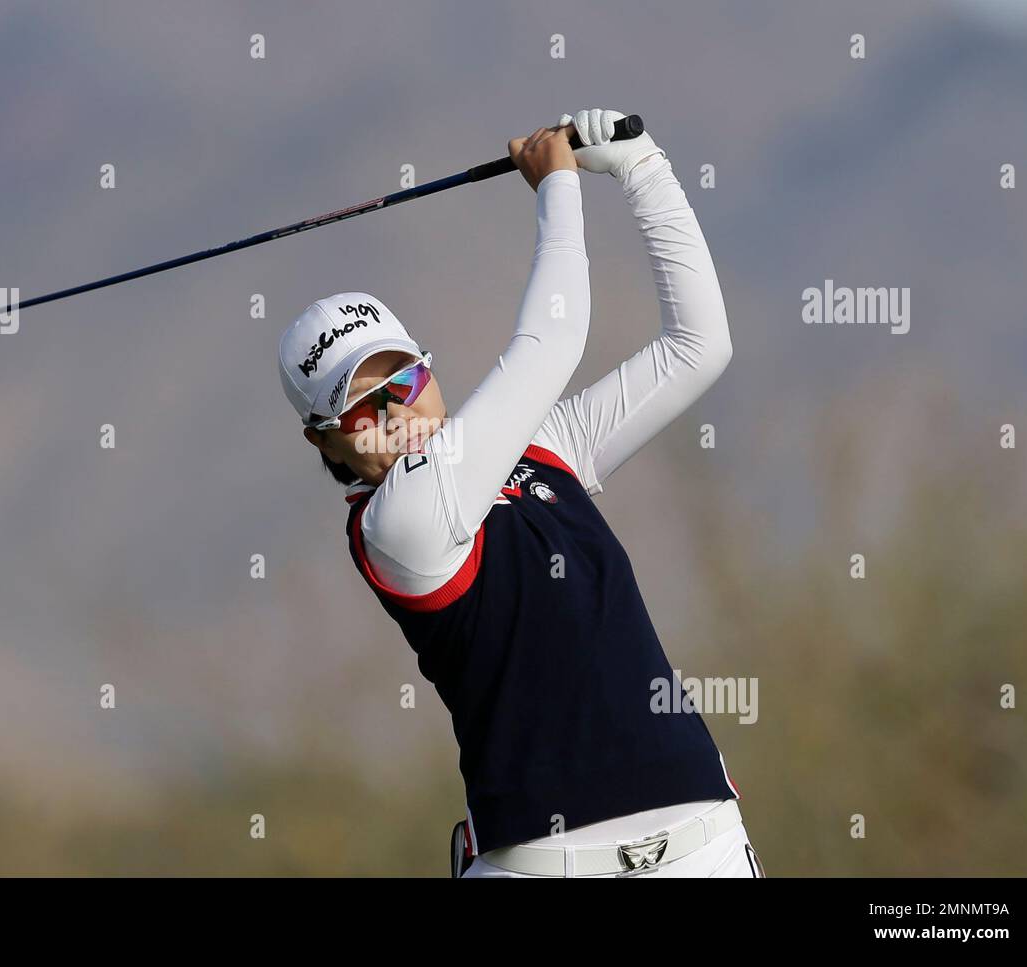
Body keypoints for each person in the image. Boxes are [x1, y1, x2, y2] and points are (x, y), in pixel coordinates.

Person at [277, 108, 762, 877]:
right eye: (362, 407)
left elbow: (698, 346)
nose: (397, 412)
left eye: (403, 377)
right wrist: (557, 188)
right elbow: (552, 341)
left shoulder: (546, 449)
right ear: (324, 439)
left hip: (703, 843)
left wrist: (643, 170)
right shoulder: (395, 525)